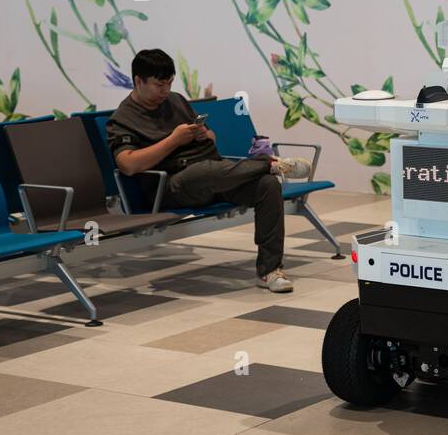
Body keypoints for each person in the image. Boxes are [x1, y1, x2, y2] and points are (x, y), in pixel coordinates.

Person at [106, 49, 310, 293]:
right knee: (203, 171)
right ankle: (269, 163)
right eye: (159, 85)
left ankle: (269, 270)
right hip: (172, 186)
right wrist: (174, 140)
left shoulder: (176, 101)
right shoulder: (122, 119)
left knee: (267, 185)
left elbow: (211, 139)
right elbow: (127, 165)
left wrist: (205, 134)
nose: (165, 91)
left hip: (213, 174)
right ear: (138, 81)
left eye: (169, 83)